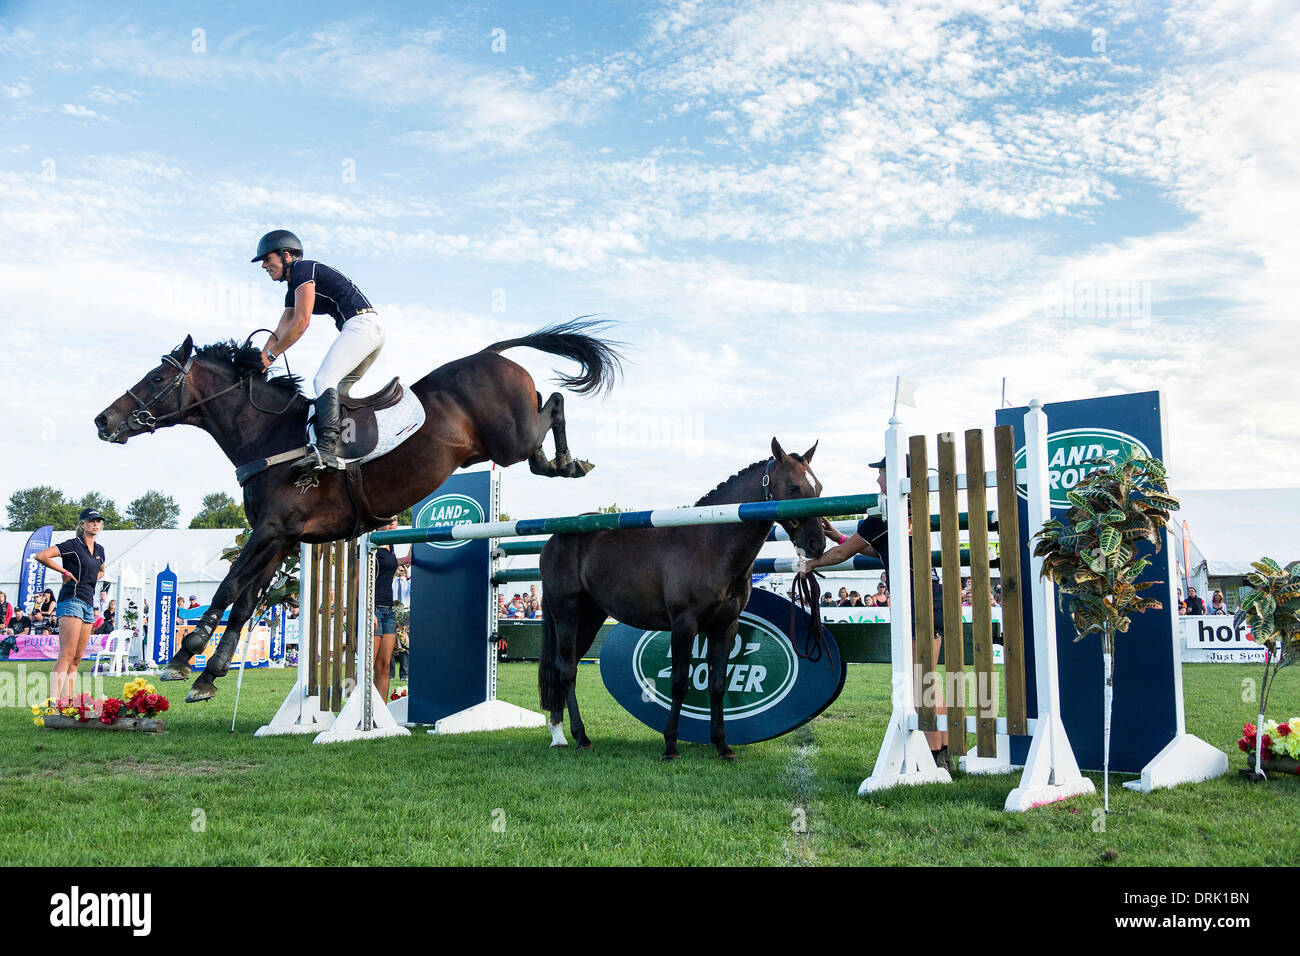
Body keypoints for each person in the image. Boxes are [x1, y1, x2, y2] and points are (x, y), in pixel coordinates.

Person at [801, 454, 953, 770]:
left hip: (915, 599)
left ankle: (936, 757)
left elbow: (844, 554)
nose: (878, 479)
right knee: (928, 678)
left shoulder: (882, 516)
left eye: (882, 472)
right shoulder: (913, 511)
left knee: (920, 680)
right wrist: (840, 536)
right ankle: (943, 753)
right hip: (933, 596)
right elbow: (874, 548)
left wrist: (811, 564)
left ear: (895, 475)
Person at [251, 229, 383, 477]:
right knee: (338, 393)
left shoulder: (303, 270)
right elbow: (280, 330)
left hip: (361, 326)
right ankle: (349, 451)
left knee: (323, 380)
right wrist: (258, 360)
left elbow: (300, 323)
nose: (264, 266)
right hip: (368, 330)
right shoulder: (292, 288)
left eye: (267, 259)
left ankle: (326, 450)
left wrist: (271, 356)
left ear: (286, 255)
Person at [34, 508, 107, 705]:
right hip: (71, 600)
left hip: (88, 604)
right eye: (92, 521)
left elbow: (101, 570)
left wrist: (91, 578)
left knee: (76, 659)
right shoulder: (73, 545)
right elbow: (41, 556)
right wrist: (64, 570)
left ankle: (67, 705)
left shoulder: (100, 550)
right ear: (82, 524)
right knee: (66, 654)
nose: (96, 524)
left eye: (98, 521)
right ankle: (52, 704)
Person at [371, 517, 401, 702]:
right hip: (372, 609)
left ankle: (380, 714)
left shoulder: (391, 544)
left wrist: (407, 559)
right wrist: (369, 610)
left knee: (384, 666)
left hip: (388, 611)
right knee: (368, 666)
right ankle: (358, 710)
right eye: (388, 519)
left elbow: (389, 566)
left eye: (395, 520)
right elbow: (357, 582)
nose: (391, 523)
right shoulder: (369, 543)